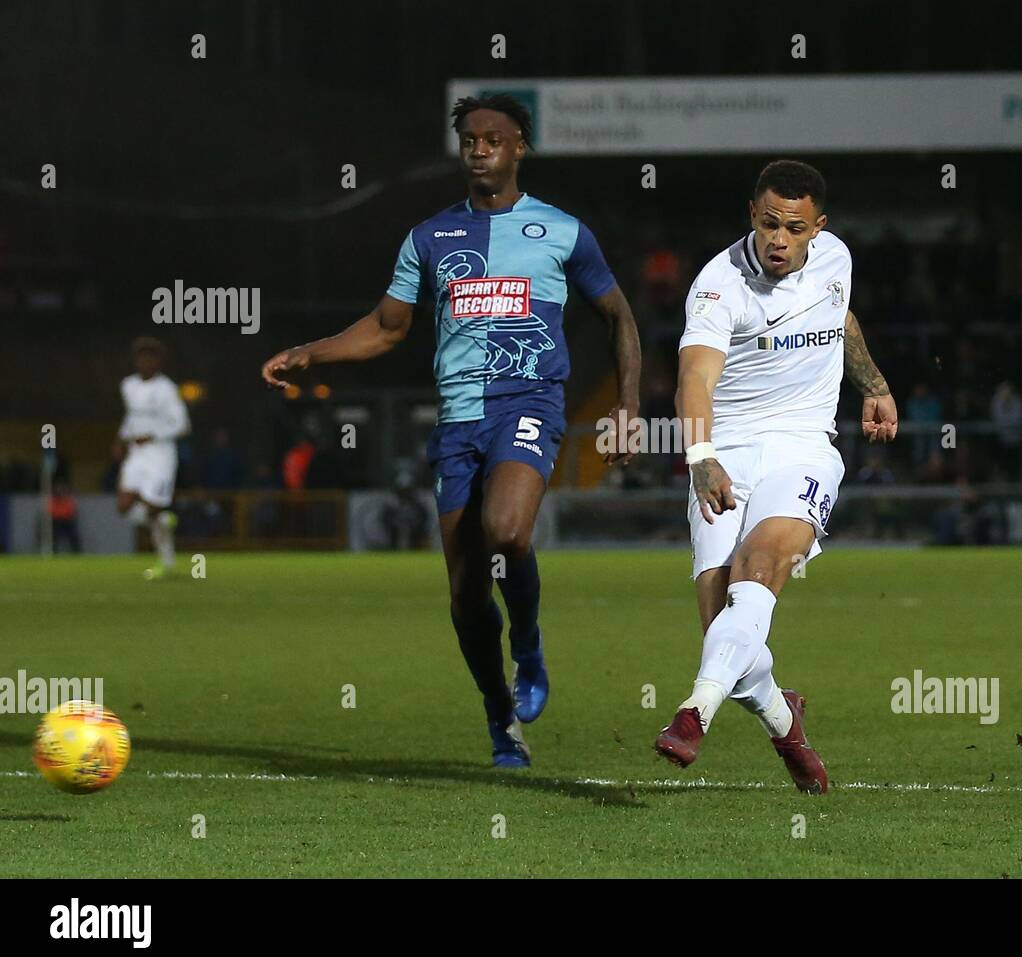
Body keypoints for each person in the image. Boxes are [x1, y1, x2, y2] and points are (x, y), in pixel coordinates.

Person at [260, 94, 641, 768]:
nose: (479, 147)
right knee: (466, 592)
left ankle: (528, 643)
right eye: (469, 138)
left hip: (528, 403)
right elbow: (386, 328)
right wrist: (311, 352)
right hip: (458, 418)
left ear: (520, 146)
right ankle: (502, 722)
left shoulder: (561, 231)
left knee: (507, 531)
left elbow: (619, 315)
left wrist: (628, 405)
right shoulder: (429, 238)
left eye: (494, 137)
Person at [653, 161, 897, 794]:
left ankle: (692, 713)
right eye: (768, 224)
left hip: (804, 447)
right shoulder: (717, 285)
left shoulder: (836, 259)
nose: (779, 240)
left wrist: (873, 382)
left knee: (760, 570)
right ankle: (785, 720)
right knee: (726, 637)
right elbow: (695, 378)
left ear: (819, 228)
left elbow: (840, 316)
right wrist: (702, 454)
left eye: (794, 228)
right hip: (726, 450)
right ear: (752, 218)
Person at [114, 337, 189, 579]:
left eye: (151, 356)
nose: (146, 361)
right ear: (136, 360)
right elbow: (132, 418)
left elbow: (183, 425)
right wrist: (120, 439)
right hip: (137, 455)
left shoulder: (166, 389)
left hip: (160, 456)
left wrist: (153, 435)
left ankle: (166, 563)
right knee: (124, 506)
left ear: (159, 361)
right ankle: (166, 519)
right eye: (142, 356)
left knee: (152, 509)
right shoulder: (128, 386)